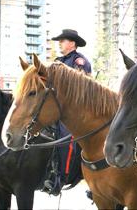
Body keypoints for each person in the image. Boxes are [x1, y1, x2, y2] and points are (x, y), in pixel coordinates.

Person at [42, 29, 91, 195]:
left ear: (72, 43)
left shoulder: (80, 61)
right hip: (56, 108)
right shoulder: (57, 62)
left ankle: (61, 178)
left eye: (63, 40)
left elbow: (83, 88)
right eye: (60, 40)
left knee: (65, 136)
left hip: (74, 111)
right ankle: (44, 172)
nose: (60, 43)